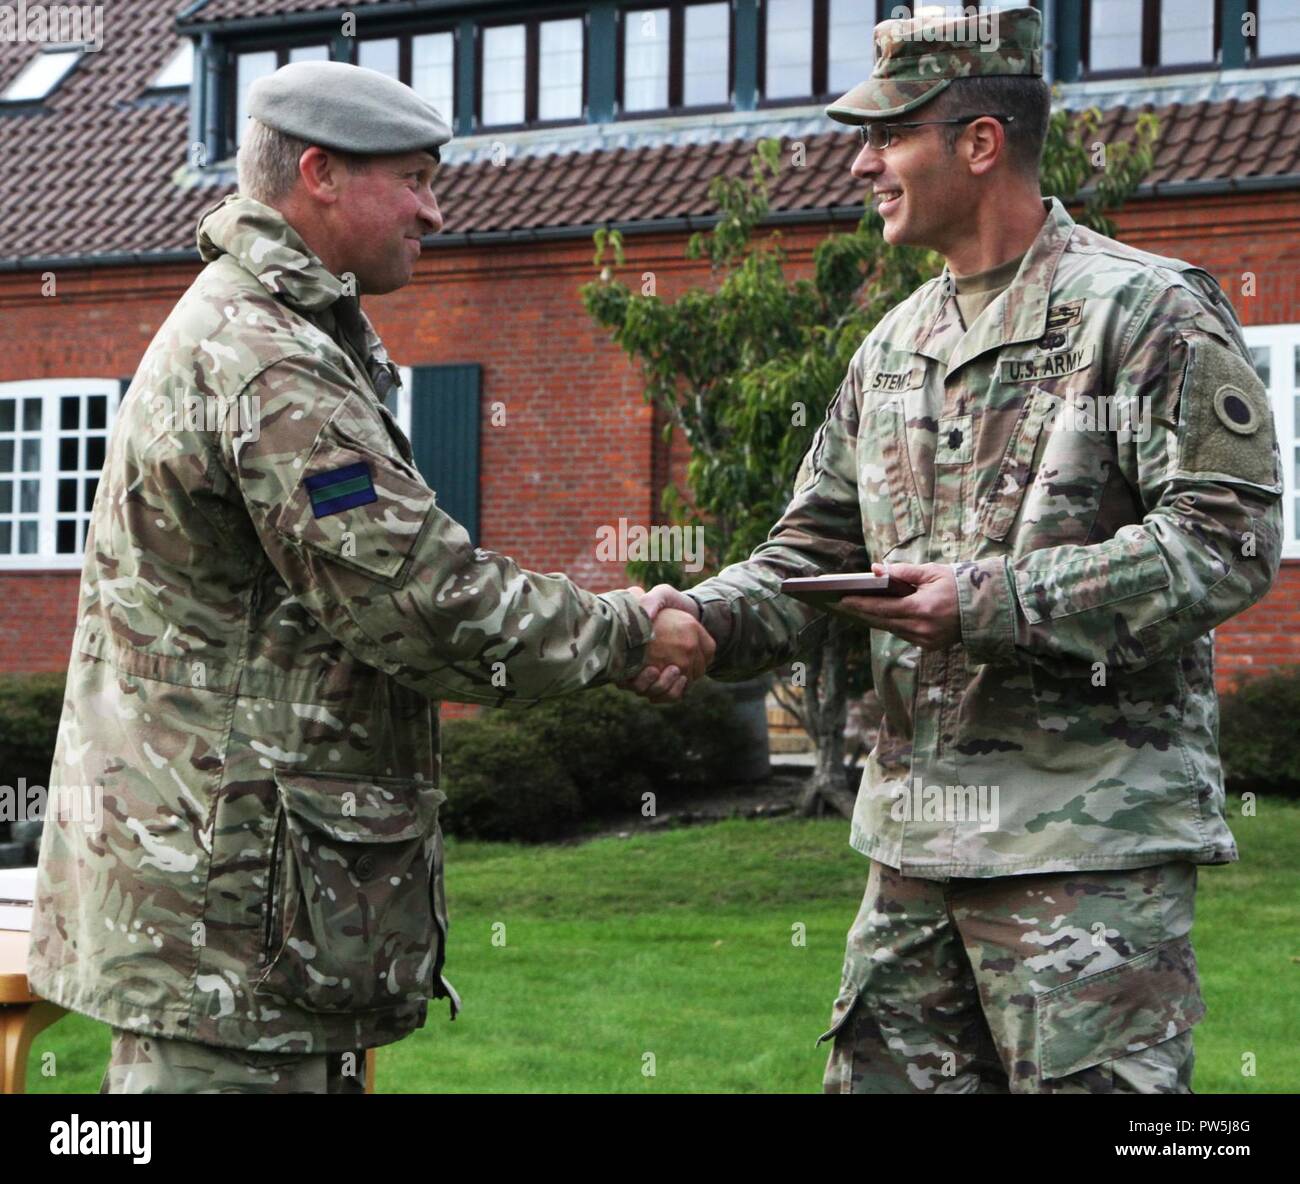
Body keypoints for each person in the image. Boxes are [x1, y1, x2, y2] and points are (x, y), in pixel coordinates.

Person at [27, 60, 714, 1094]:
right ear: (320, 175)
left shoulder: (283, 329)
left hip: (247, 914)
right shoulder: (270, 360)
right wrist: (628, 630)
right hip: (229, 933)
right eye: (415, 179)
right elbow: (421, 602)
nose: (435, 210)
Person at [630, 5, 1282, 1093]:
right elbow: (812, 544)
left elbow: (1228, 539)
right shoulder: (893, 345)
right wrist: (704, 617)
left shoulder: (1144, 312)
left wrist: (992, 599)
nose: (863, 164)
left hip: (1083, 851)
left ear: (979, 144)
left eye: (888, 137)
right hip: (910, 848)